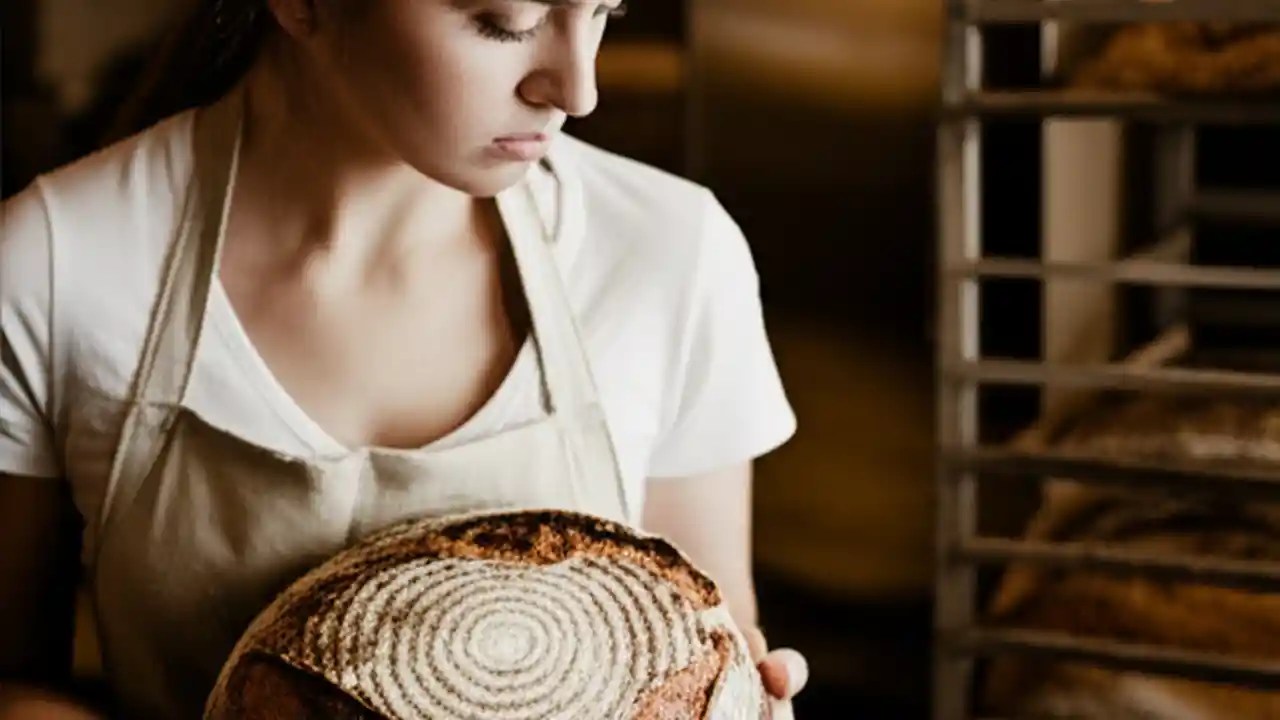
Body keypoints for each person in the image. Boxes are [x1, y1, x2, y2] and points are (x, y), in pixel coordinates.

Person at [0, 0, 807, 717]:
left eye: (605, 12)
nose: (577, 89)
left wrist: (754, 694)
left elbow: (707, 640)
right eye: (507, 22)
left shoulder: (671, 250)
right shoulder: (56, 259)